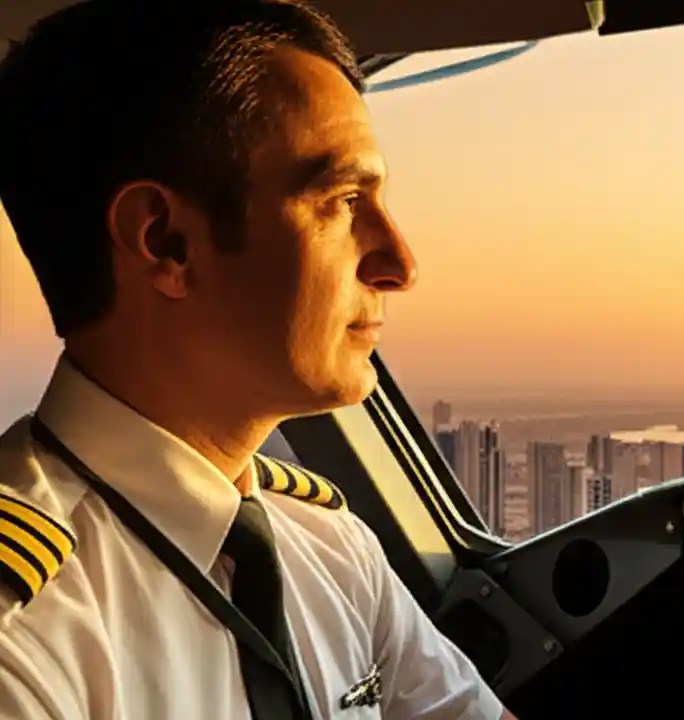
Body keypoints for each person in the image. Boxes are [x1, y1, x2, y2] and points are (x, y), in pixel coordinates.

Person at [0, 1, 519, 718]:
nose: (400, 263)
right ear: (165, 243)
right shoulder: (25, 640)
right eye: (341, 200)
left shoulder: (330, 549)